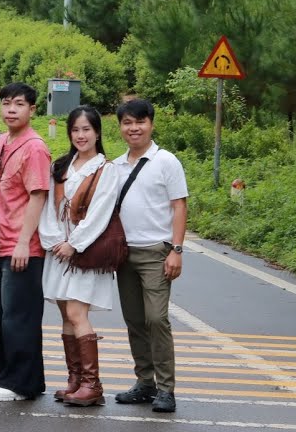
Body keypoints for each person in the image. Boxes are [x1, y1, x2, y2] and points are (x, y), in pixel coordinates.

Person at [39, 106, 123, 406]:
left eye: (86, 129)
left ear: (97, 132)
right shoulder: (61, 166)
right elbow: (48, 208)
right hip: (58, 251)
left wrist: (74, 243)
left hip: (83, 252)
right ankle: (75, 380)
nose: (81, 135)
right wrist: (54, 240)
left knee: (77, 314)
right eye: (75, 130)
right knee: (65, 316)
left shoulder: (106, 169)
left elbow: (100, 213)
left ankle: (92, 384)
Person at [111, 98, 188, 414]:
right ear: (120, 127)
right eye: (127, 123)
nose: (134, 128)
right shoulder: (115, 166)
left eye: (139, 122)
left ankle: (166, 389)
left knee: (157, 318)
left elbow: (179, 205)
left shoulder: (166, 161)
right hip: (124, 254)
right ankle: (145, 383)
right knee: (135, 320)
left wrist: (176, 250)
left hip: (157, 252)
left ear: (151, 124)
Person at [0, 82, 51, 402]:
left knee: (18, 316)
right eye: (7, 103)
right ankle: (23, 379)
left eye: (19, 104)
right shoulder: (3, 141)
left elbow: (38, 195)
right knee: (4, 315)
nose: (11, 109)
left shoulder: (35, 147)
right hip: (1, 241)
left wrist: (24, 241)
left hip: (23, 245)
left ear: (32, 110)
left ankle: (18, 383)